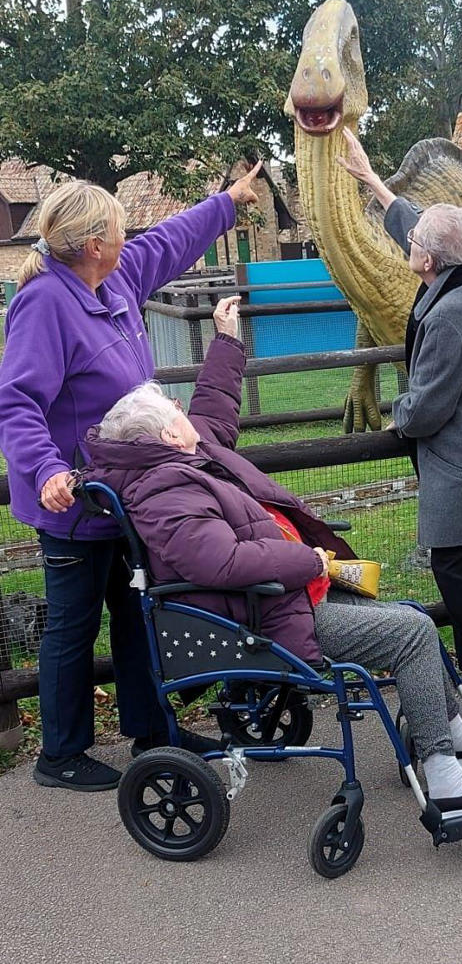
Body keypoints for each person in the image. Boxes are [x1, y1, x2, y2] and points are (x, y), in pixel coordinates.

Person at [86, 296, 462, 822]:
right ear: (165, 435)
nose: (186, 414)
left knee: (412, 616)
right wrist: (306, 561)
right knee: (411, 632)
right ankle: (445, 781)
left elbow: (213, 411)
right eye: (175, 413)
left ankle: (454, 737)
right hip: (261, 615)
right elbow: (220, 564)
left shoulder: (184, 456)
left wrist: (227, 341)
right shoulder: (164, 491)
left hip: (280, 597)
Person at [0, 167, 263, 791]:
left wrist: (226, 203)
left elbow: (167, 242)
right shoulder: (45, 304)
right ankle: (60, 755)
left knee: (138, 610)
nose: (128, 237)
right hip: (74, 498)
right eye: (120, 229)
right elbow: (16, 401)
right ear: (94, 243)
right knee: (73, 624)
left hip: (129, 493)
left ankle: (154, 733)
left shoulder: (111, 277)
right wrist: (45, 471)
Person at [337, 129, 462, 719]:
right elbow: (426, 225)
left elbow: (426, 407)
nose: (410, 239)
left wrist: (396, 415)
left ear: (426, 260)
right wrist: (373, 181)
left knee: (457, 573)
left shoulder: (451, 317)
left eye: (415, 241)